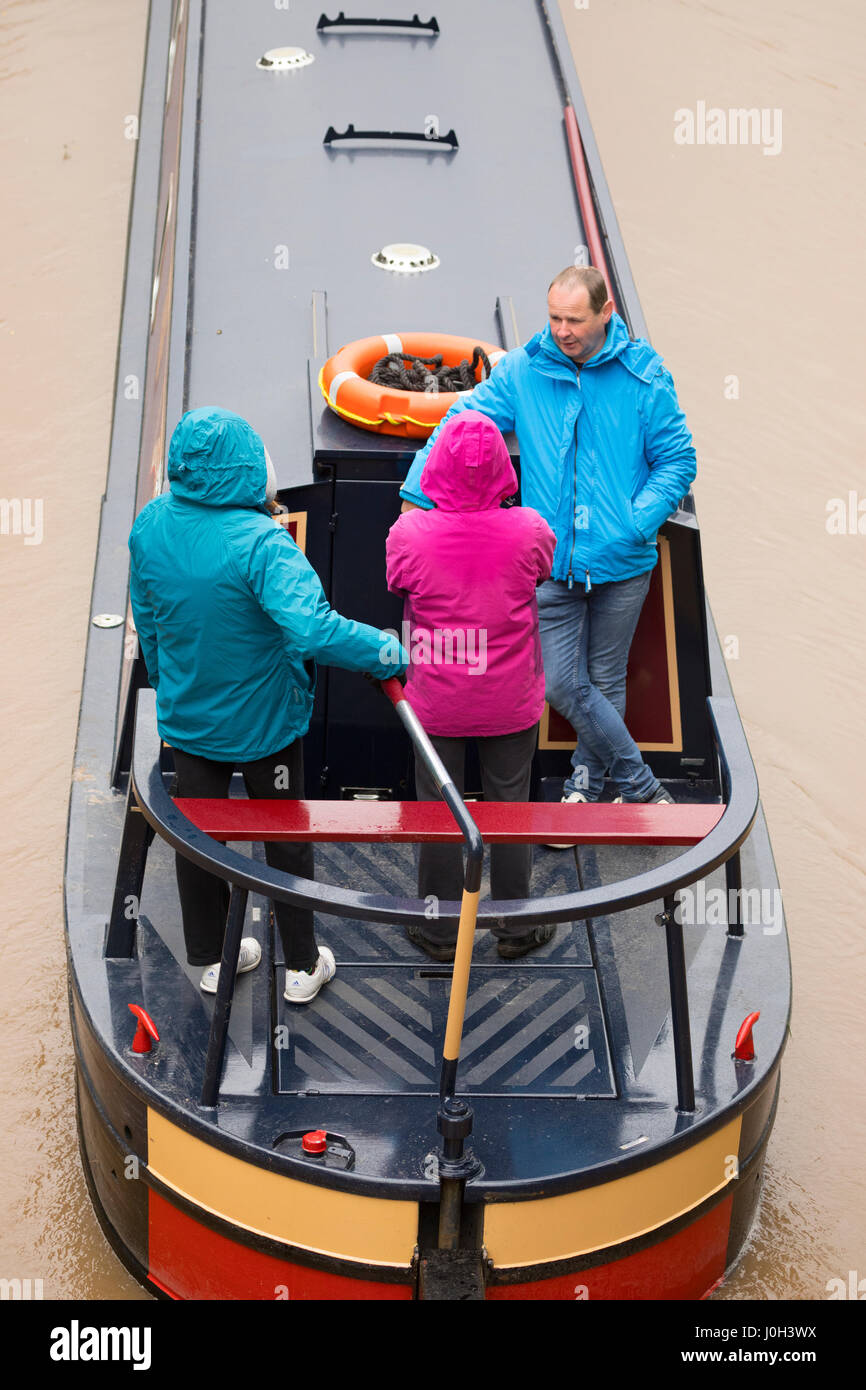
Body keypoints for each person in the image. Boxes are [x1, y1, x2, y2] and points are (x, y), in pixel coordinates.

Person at [129, 407, 407, 1002]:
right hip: (266, 726)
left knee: (199, 839)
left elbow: (149, 624)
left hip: (190, 722)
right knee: (285, 837)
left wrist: (170, 686)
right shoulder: (263, 544)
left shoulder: (150, 525)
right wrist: (383, 650)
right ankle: (302, 965)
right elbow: (312, 630)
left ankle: (213, 959)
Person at [399, 266, 697, 815]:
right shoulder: (523, 370)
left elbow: (677, 461)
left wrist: (635, 522)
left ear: (606, 313)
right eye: (555, 317)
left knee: (606, 678)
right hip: (551, 564)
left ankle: (584, 782)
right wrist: (418, 492)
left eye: (574, 320)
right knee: (560, 684)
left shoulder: (646, 376)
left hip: (624, 562)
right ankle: (640, 785)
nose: (561, 331)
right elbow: (461, 421)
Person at [386, 411, 556, 960]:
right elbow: (541, 572)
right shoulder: (530, 529)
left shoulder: (408, 535)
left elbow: (396, 583)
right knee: (511, 808)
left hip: (437, 703)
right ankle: (515, 927)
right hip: (510, 700)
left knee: (440, 811)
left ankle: (438, 931)